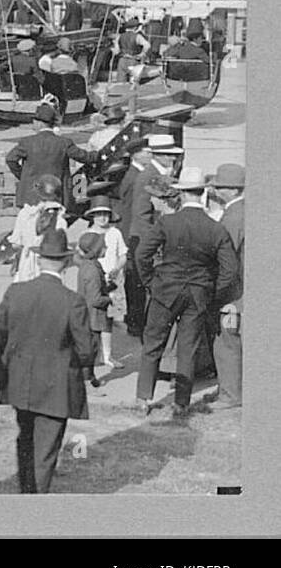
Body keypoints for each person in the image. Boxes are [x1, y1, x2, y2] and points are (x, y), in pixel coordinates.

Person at [0, 229, 97, 494]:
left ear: (38, 259)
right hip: (56, 389)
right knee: (45, 452)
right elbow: (86, 351)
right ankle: (35, 506)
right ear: (67, 263)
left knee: (25, 441)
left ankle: (27, 495)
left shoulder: (16, 292)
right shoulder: (73, 301)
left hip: (20, 384)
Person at [136, 168, 239, 418]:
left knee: (153, 344)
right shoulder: (215, 228)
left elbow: (142, 254)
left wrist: (151, 281)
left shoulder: (167, 222)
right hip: (198, 293)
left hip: (165, 291)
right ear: (203, 193)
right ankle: (181, 403)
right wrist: (211, 293)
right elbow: (230, 270)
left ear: (180, 193)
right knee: (188, 347)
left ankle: (143, 399)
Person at [118, 133, 183, 339]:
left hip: (148, 238)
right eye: (168, 155)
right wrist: (155, 243)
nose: (172, 158)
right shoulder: (149, 176)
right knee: (145, 286)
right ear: (158, 155)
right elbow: (142, 214)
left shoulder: (157, 171)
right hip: (147, 239)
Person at [4, 102, 96, 214]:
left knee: (31, 226)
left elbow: (10, 159)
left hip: (30, 196)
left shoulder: (27, 142)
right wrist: (99, 152)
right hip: (56, 195)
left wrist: (23, 176)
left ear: (38, 123)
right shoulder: (64, 143)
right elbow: (85, 157)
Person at [209, 164, 244, 410]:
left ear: (231, 189)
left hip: (233, 292)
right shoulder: (246, 210)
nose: (216, 190)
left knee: (226, 343)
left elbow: (225, 255)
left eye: (220, 186)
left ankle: (230, 395)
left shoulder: (232, 217)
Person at [6, 174, 68, 284]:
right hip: (49, 265)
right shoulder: (60, 219)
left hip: (26, 263)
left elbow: (15, 244)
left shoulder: (25, 214)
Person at [83, 196, 126, 351]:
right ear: (93, 216)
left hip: (111, 278)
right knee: (93, 315)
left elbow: (122, 255)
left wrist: (117, 268)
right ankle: (92, 352)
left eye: (106, 214)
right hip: (94, 279)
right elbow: (80, 256)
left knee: (108, 317)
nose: (102, 218)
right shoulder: (88, 233)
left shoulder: (115, 233)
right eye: (98, 214)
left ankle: (107, 354)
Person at [75, 232, 114, 386]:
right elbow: (96, 299)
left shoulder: (88, 265)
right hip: (93, 316)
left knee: (91, 348)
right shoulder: (92, 271)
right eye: (103, 245)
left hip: (87, 314)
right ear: (95, 249)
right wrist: (110, 299)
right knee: (91, 349)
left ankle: (90, 377)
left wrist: (110, 285)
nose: (106, 247)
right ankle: (86, 381)